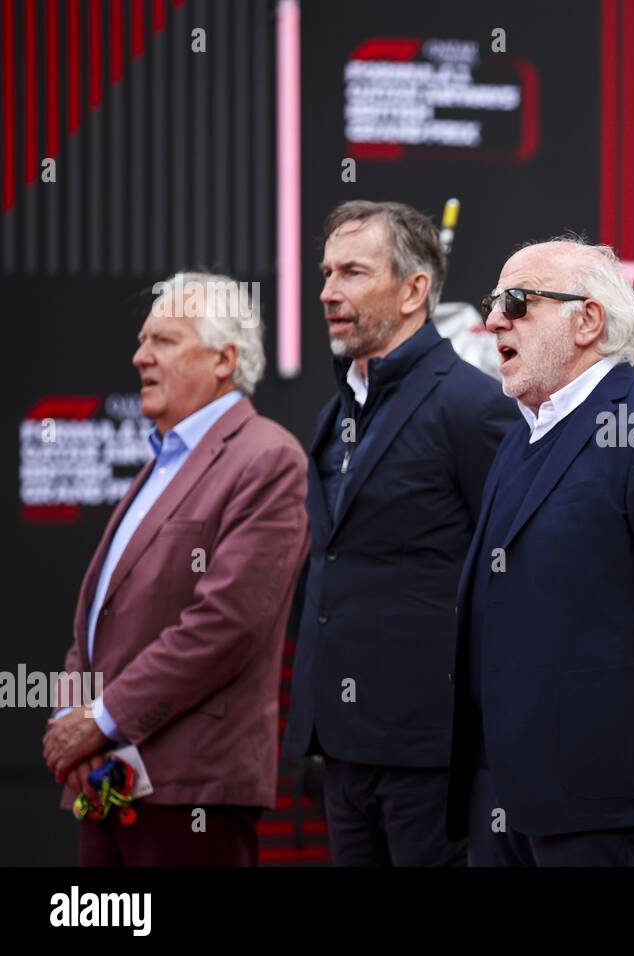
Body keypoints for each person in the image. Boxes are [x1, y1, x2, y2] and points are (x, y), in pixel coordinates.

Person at [43, 272, 309, 866]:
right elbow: (98, 619)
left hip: (190, 793)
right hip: (104, 783)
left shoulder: (266, 457)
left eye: (163, 341)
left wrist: (100, 721)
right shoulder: (159, 462)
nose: (140, 356)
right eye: (142, 340)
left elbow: (226, 624)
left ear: (224, 359)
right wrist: (71, 717)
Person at [282, 201, 517, 866]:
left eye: (353, 272)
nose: (328, 290)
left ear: (415, 289)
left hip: (432, 754)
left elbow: (511, 573)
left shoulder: (473, 407)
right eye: (326, 272)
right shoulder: (337, 411)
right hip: (341, 751)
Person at [445, 237, 634, 866]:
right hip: (500, 797)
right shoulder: (518, 437)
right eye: (493, 302)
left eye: (518, 302)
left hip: (600, 800)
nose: (494, 319)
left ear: (588, 321)